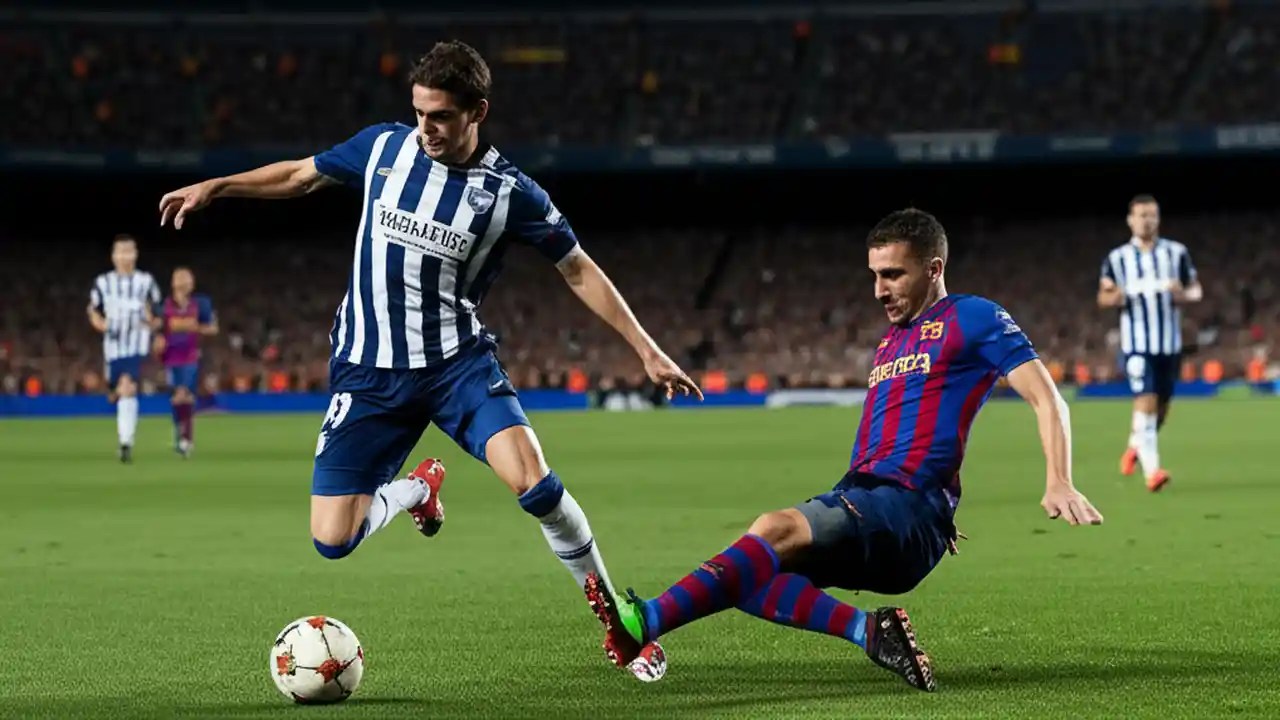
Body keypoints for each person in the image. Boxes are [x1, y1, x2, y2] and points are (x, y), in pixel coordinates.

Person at [157, 40, 699, 657]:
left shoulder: (511, 194)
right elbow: (300, 175)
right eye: (419, 113)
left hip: (455, 367)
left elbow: (577, 268)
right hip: (367, 370)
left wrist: (646, 349)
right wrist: (219, 187)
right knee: (332, 539)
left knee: (536, 484)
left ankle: (620, 622)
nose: (426, 128)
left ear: (477, 113)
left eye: (440, 116)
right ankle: (416, 489)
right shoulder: (384, 147)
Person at [584, 208, 1103, 691]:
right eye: (875, 275)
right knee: (747, 571)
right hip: (867, 498)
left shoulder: (974, 318)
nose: (879, 290)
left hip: (905, 509)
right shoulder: (890, 342)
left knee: (770, 528)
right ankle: (870, 634)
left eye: (893, 274)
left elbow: (1048, 398)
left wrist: (1058, 478)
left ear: (934, 268)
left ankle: (645, 620)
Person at [1097, 194, 1201, 492]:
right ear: (1130, 220)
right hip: (1137, 345)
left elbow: (1195, 291)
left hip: (1169, 346)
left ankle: (1135, 445)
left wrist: (1182, 293)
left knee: (1162, 411)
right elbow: (1103, 297)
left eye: (1152, 215)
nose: (1146, 220)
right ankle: (1152, 472)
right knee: (1146, 401)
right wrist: (1116, 296)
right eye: (1141, 215)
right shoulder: (1118, 259)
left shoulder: (1176, 254)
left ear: (1158, 219)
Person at [87, 234, 162, 463]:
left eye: (129, 251)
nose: (125, 256)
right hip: (113, 345)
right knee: (118, 391)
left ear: (136, 254)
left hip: (138, 342)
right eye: (121, 252)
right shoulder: (103, 283)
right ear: (113, 256)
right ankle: (117, 399)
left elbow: (158, 313)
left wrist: (154, 326)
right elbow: (93, 310)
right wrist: (100, 323)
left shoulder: (146, 282)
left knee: (128, 386)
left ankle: (126, 442)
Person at [154, 267, 217, 458]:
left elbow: (213, 328)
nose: (184, 282)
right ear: (173, 282)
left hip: (190, 357)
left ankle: (185, 440)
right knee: (176, 398)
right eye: (180, 278)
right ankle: (180, 437)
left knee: (185, 395)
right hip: (170, 359)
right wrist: (157, 340)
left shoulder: (201, 304)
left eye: (188, 278)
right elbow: (157, 330)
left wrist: (195, 326)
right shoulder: (163, 306)